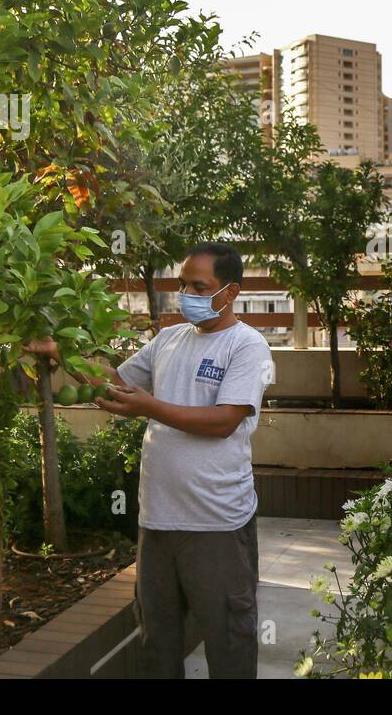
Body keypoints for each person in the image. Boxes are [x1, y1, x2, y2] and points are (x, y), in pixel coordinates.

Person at [27, 241, 273, 678]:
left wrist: (149, 407)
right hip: (157, 522)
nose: (187, 294)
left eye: (200, 286)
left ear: (231, 292)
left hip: (216, 524)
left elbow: (224, 421)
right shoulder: (168, 340)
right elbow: (116, 384)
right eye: (183, 284)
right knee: (157, 641)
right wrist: (60, 352)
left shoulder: (246, 346)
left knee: (229, 640)